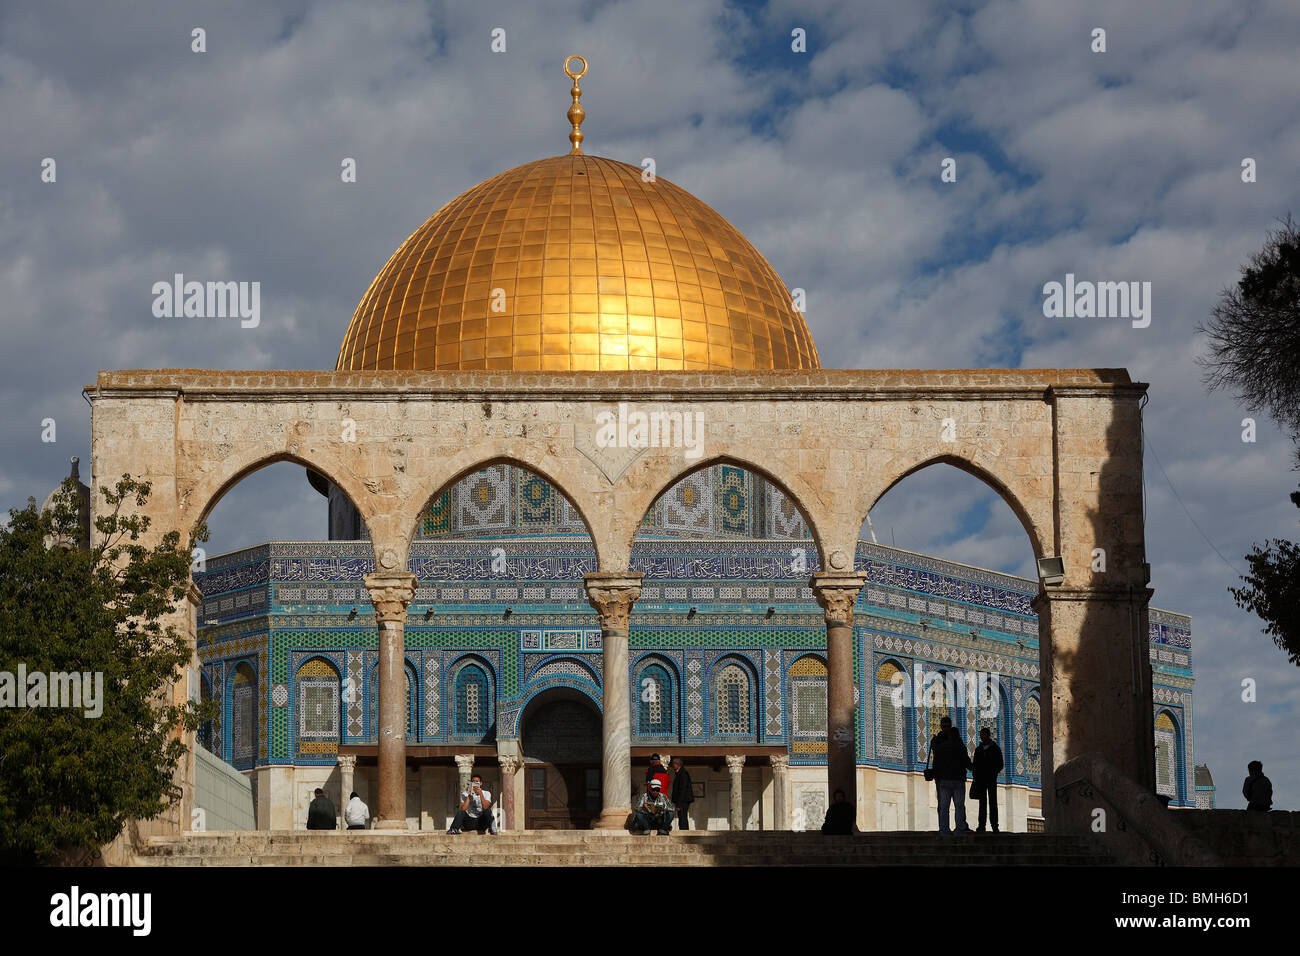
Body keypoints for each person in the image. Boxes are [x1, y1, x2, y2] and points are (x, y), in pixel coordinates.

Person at [931, 716, 972, 834]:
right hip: (952, 779)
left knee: (946, 806)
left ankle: (945, 829)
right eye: (944, 726)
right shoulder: (955, 744)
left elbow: (937, 761)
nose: (946, 729)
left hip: (946, 779)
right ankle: (958, 828)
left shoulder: (940, 745)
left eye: (948, 727)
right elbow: (965, 760)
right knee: (955, 805)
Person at [970, 726, 1004, 833]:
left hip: (991, 779)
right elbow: (975, 764)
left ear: (988, 735)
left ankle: (995, 826)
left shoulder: (995, 748)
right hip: (981, 780)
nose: (981, 737)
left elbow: (1000, 764)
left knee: (993, 802)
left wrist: (993, 773)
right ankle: (981, 826)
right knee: (982, 803)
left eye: (983, 735)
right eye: (981, 735)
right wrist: (976, 775)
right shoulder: (979, 749)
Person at [669, 757, 694, 830]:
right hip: (682, 800)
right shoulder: (679, 773)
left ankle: (684, 831)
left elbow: (682, 789)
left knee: (683, 817)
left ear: (677, 764)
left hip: (683, 800)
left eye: (674, 764)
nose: (673, 766)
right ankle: (683, 830)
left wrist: (679, 803)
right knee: (682, 817)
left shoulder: (683, 774)